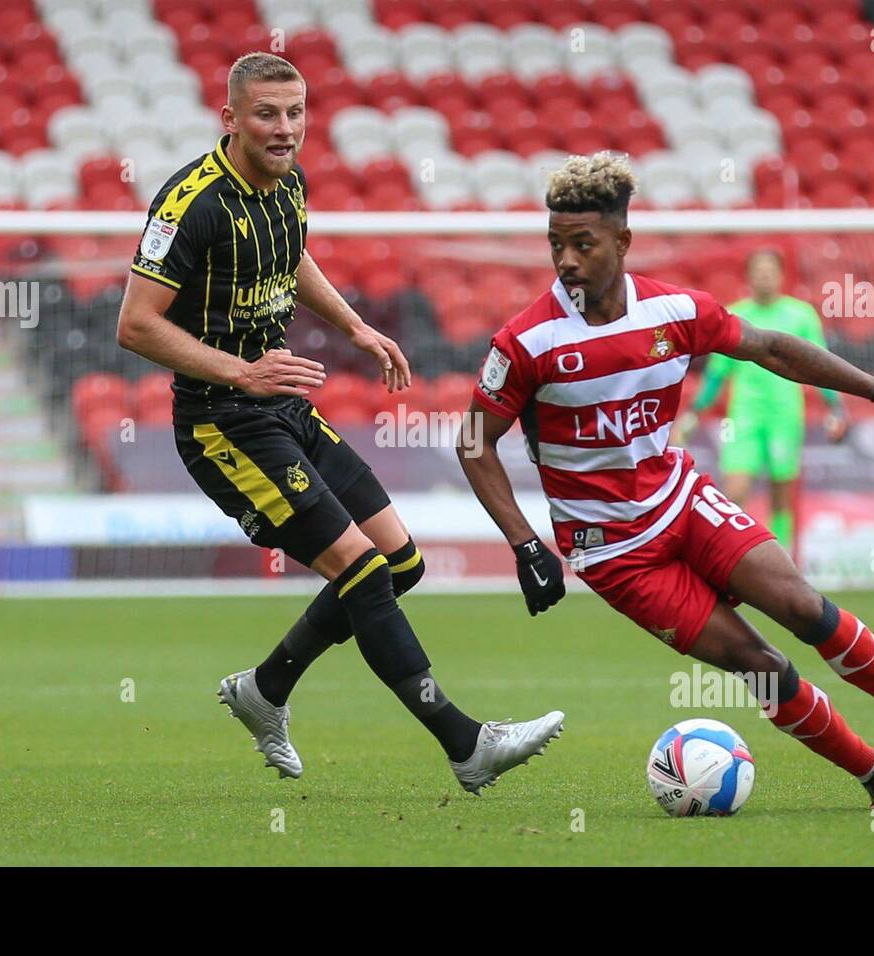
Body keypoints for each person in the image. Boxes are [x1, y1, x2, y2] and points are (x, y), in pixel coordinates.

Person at [458, 152, 874, 811]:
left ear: (622, 241)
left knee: (803, 606)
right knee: (760, 666)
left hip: (682, 501)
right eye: (556, 245)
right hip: (612, 550)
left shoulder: (675, 311)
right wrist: (524, 543)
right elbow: (473, 442)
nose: (566, 260)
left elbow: (771, 348)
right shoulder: (525, 342)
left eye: (582, 244)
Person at [117, 52, 562, 794]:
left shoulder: (288, 181)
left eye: (294, 113)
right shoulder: (188, 205)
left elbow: (291, 259)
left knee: (400, 562)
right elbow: (134, 325)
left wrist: (355, 325)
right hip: (222, 424)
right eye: (266, 114)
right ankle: (465, 743)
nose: (284, 128)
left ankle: (265, 689)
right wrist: (241, 371)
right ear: (230, 119)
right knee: (359, 568)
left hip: (282, 407)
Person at [678, 249, 848, 551]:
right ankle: (733, 559)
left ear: (781, 275)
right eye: (759, 270)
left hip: (784, 415)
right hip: (743, 416)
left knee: (781, 493)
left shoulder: (800, 315)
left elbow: (820, 366)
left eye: (770, 270)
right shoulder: (735, 315)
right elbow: (717, 374)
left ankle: (783, 565)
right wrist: (693, 413)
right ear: (749, 276)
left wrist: (834, 406)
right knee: (734, 490)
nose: (765, 276)